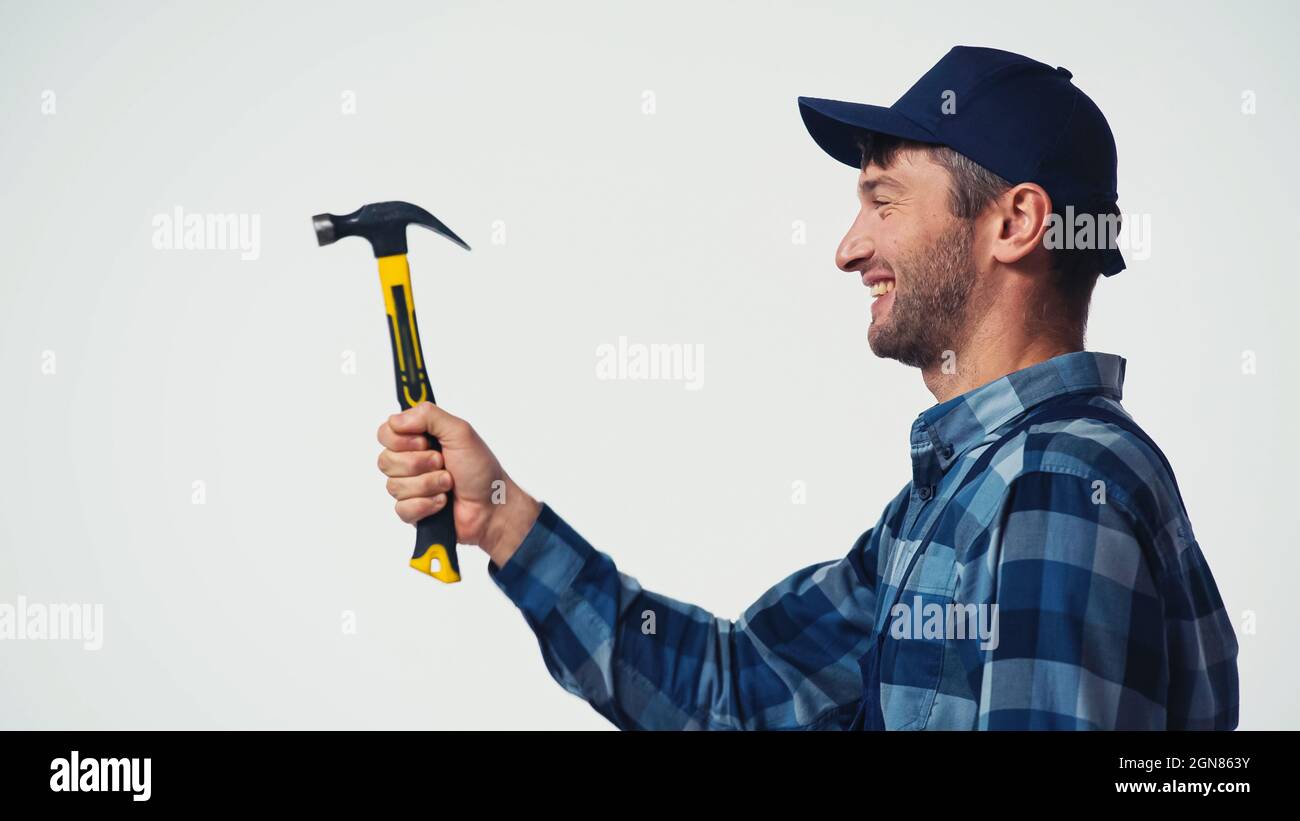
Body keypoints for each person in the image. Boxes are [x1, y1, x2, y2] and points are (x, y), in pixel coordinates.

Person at [375, 46, 1239, 730]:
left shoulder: (1055, 486)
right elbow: (742, 692)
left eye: (884, 200)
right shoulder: (955, 498)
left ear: (1013, 223)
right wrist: (500, 516)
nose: (849, 248)